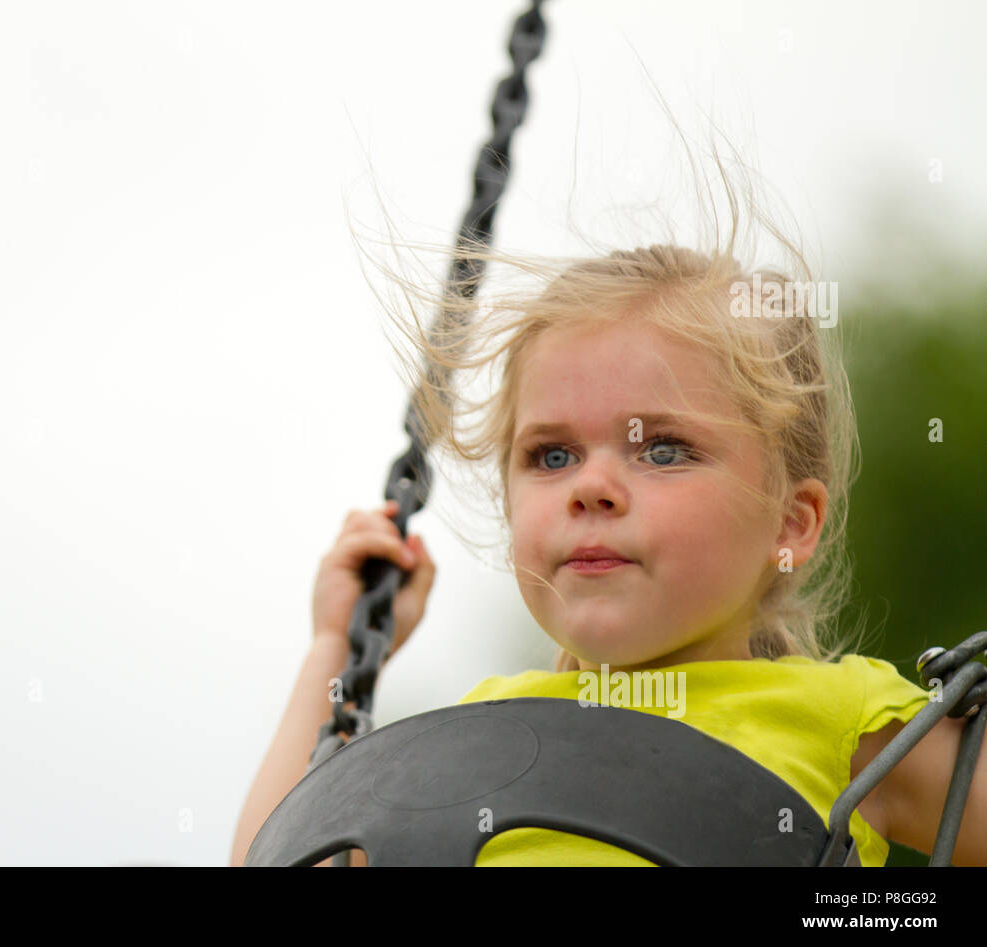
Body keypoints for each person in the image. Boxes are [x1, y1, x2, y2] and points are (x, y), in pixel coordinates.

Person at [229, 148, 986, 868]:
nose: (590, 486)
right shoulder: (478, 730)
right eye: (551, 456)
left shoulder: (846, 722)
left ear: (790, 525)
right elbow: (289, 851)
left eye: (662, 449)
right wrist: (335, 650)